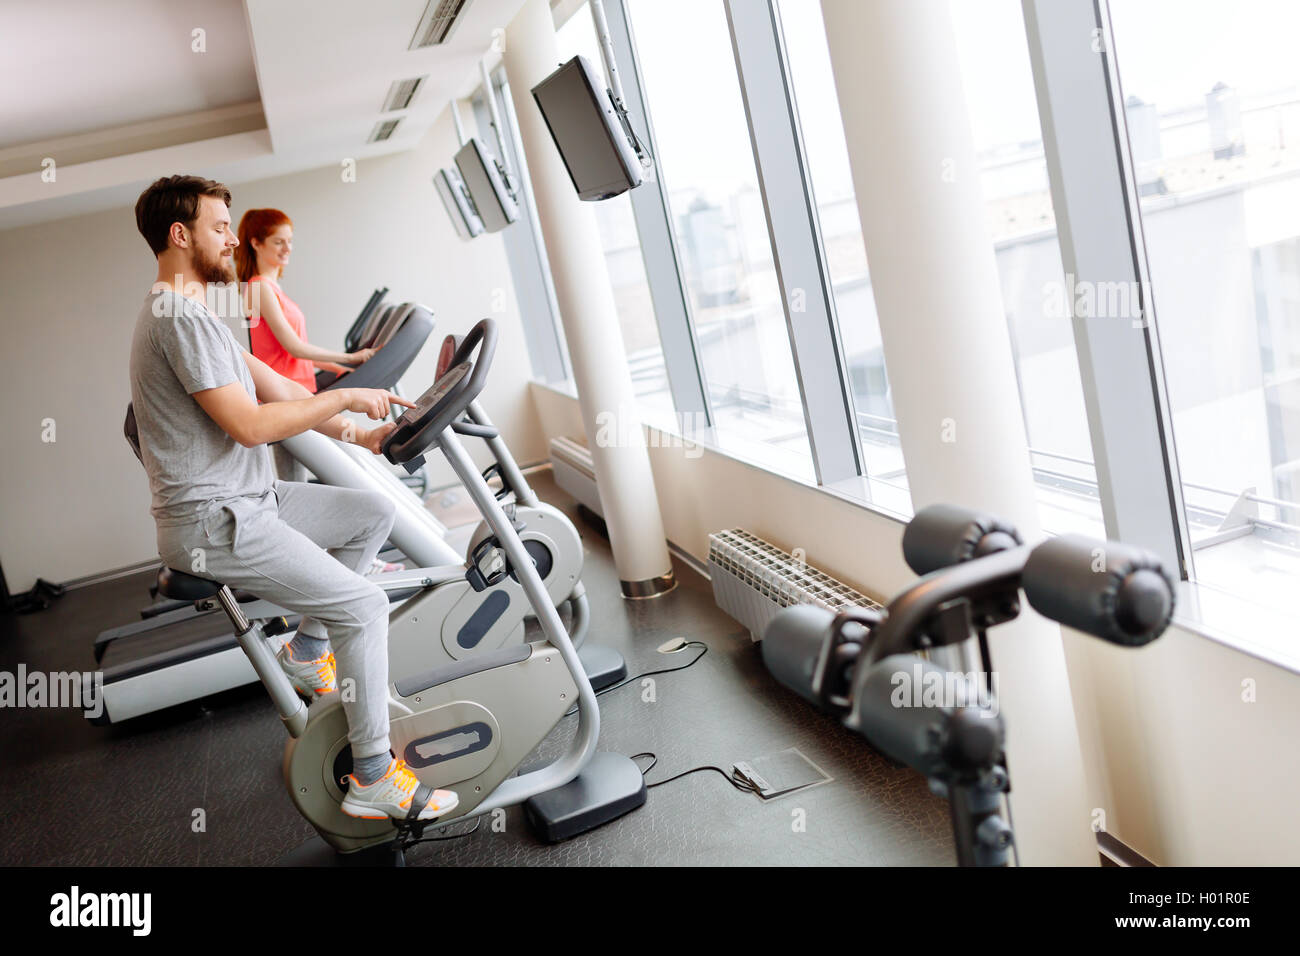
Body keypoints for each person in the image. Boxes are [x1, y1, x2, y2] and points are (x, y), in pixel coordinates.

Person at [129, 174, 456, 823]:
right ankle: (372, 777)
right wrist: (340, 396)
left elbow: (276, 385)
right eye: (220, 227)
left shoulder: (197, 313)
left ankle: (306, 652)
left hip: (250, 498)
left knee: (373, 513)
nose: (232, 239)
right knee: (362, 606)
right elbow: (248, 426)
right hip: (213, 519)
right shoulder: (176, 317)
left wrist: (361, 432)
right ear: (180, 234)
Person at [234, 208, 377, 484]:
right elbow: (295, 348)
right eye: (278, 242)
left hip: (300, 396)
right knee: (313, 478)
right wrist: (352, 357)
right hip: (286, 402)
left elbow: (292, 352)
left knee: (336, 471)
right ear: (255, 243)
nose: (287, 248)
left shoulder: (270, 288)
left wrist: (337, 367)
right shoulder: (259, 287)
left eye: (290, 240)